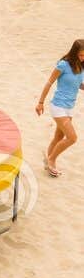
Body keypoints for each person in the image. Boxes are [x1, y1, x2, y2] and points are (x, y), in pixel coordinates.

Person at [36, 39, 84, 177]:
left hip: (70, 107)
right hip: (58, 106)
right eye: (81, 55)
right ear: (74, 52)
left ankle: (48, 161)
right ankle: (51, 160)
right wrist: (40, 102)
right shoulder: (63, 65)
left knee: (59, 136)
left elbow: (78, 84)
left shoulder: (81, 67)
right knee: (72, 137)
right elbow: (49, 83)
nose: (83, 58)